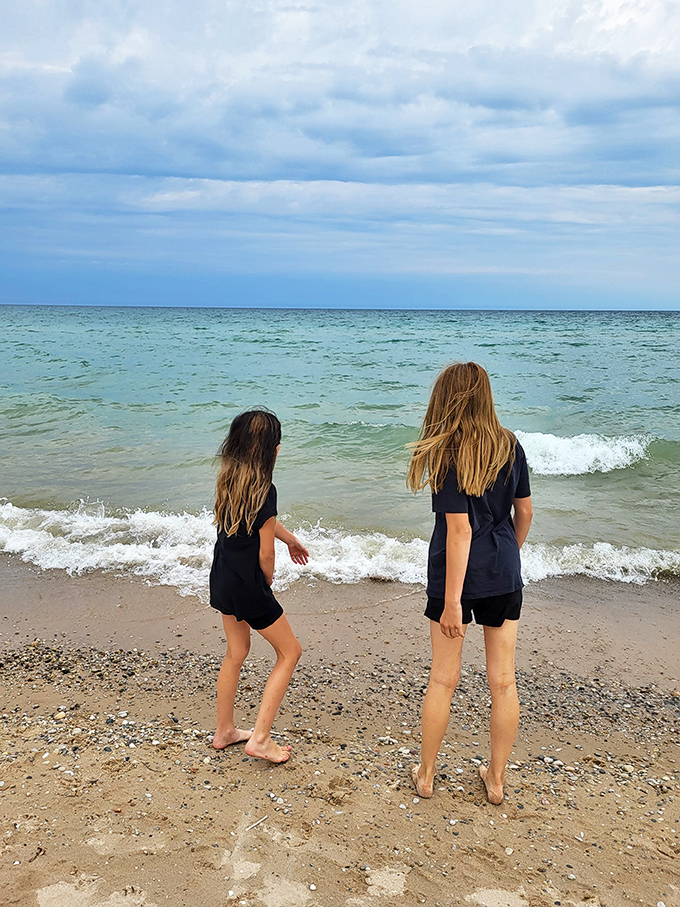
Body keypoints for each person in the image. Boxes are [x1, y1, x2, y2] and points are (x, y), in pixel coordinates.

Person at [406, 363, 533, 804]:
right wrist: (505, 554)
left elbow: (459, 531)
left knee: (443, 679)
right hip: (501, 570)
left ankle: (426, 774)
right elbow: (525, 514)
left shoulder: (447, 452)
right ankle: (496, 781)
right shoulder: (509, 444)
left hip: (451, 579)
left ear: (448, 401)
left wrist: (454, 602)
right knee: (503, 681)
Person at [209, 409, 309, 764]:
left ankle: (225, 731)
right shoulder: (265, 489)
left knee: (236, 652)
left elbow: (260, 524)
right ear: (275, 451)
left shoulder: (228, 480)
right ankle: (261, 739)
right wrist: (266, 582)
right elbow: (264, 553)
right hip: (249, 585)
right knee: (290, 651)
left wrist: (290, 538)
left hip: (222, 577)